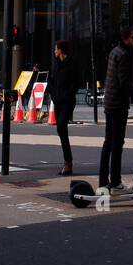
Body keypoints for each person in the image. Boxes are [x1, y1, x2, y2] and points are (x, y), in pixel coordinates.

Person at [99, 27, 133, 191]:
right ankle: (115, 181)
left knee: (109, 143)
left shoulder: (115, 51)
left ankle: (103, 180)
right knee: (117, 143)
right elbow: (124, 82)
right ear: (126, 39)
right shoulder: (125, 55)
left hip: (109, 102)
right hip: (118, 104)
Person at [47, 39, 80, 174]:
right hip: (58, 102)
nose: (54, 51)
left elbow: (76, 82)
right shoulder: (56, 65)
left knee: (61, 126)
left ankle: (68, 162)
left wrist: (67, 94)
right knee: (61, 130)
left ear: (61, 50)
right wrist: (53, 95)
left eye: (56, 49)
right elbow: (52, 82)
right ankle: (68, 162)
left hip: (67, 101)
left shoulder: (72, 64)